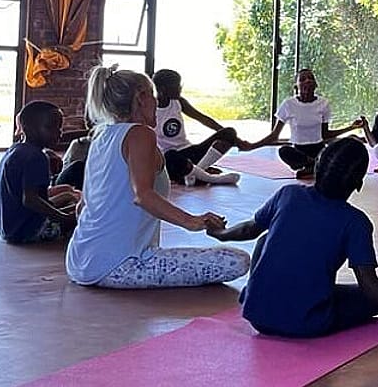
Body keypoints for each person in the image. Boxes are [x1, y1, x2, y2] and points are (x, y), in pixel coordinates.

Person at [208, 138, 378, 336]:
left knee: (265, 238)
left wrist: (220, 233)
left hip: (257, 315)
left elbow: (249, 229)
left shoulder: (288, 194)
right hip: (306, 324)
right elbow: (370, 287)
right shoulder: (355, 222)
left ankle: (260, 293)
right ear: (359, 183)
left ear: (316, 167)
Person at [65, 66, 250, 289]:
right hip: (120, 265)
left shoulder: (100, 136)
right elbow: (142, 195)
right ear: (141, 98)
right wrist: (192, 221)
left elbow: (82, 207)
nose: (155, 102)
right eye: (152, 95)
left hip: (77, 260)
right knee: (237, 260)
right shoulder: (140, 134)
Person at [242, 68, 363, 179]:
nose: (307, 81)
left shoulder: (323, 103)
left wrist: (351, 128)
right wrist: (252, 146)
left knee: (339, 151)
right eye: (303, 79)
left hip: (318, 148)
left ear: (316, 85)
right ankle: (316, 165)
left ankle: (313, 166)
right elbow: (274, 136)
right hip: (298, 151)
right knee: (284, 151)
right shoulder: (288, 104)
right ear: (296, 85)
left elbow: (325, 134)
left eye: (311, 78)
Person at [0, 101, 81, 244]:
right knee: (88, 214)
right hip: (29, 231)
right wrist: (63, 218)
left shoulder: (16, 149)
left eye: (60, 128)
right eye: (51, 128)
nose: (59, 133)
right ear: (30, 128)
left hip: (8, 227)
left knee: (72, 200)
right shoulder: (36, 157)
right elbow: (30, 200)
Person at [152, 69, 241, 187]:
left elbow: (202, 118)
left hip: (188, 151)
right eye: (176, 86)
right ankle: (208, 177)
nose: (180, 88)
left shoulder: (179, 102)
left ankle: (197, 173)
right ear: (163, 89)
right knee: (170, 155)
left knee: (229, 133)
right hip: (170, 160)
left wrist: (234, 138)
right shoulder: (150, 107)